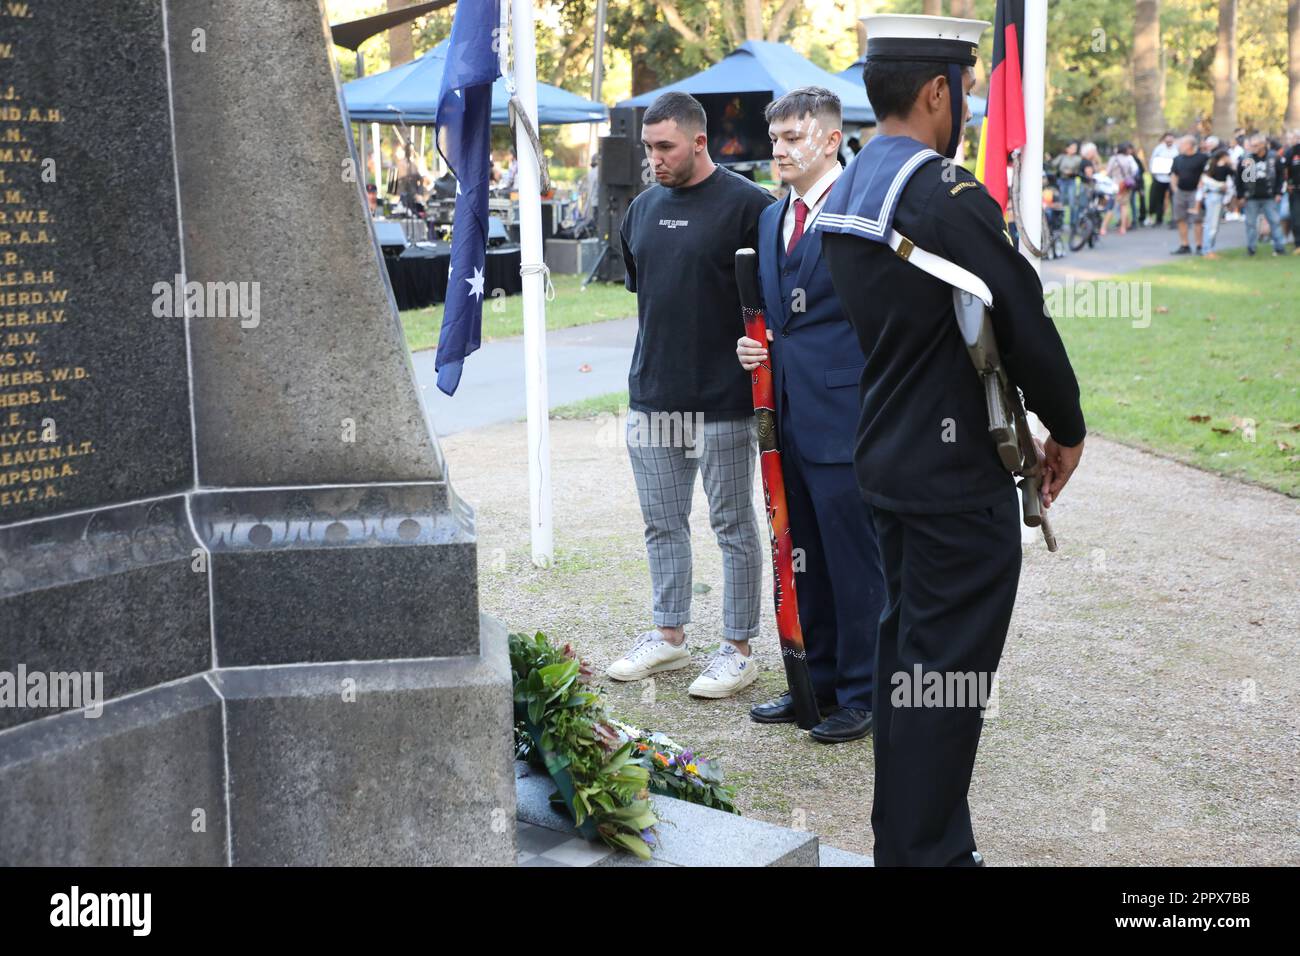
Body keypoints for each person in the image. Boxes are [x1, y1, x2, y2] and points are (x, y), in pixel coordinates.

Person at [819, 13, 1085, 866]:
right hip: (952, 479)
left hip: (891, 459)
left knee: (912, 670)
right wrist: (1067, 426)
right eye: (964, 86)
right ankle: (929, 855)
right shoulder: (944, 192)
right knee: (945, 685)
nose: (966, 102)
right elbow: (1026, 317)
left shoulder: (852, 183)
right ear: (937, 91)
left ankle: (909, 842)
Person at [609, 92, 775, 698]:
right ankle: (669, 637)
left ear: (699, 142)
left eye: (665, 147)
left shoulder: (750, 206)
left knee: (732, 524)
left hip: (726, 401)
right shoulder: (642, 209)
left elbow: (775, 305)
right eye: (648, 147)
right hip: (653, 395)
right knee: (662, 524)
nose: (654, 158)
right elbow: (650, 294)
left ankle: (737, 648)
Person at [733, 87, 883, 745]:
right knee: (802, 558)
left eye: (794, 138)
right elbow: (780, 320)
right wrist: (752, 346)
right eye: (775, 141)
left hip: (848, 415)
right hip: (783, 415)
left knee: (856, 563)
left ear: (829, 139)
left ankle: (864, 694)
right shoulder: (771, 220)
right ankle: (812, 685)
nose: (781, 151)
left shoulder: (865, 212)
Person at [1235, 133, 1287, 256]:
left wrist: (1278, 192)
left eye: (1255, 145)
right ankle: (1251, 249)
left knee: (1274, 222)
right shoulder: (1246, 159)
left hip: (1269, 196)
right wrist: (1240, 196)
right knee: (1250, 224)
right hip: (1251, 197)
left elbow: (1281, 176)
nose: (1252, 148)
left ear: (1263, 145)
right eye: (1251, 145)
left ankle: (1280, 247)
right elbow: (1238, 179)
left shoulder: (1274, 157)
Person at [1170, 134, 1207, 254]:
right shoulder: (1177, 159)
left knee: (1197, 219)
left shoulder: (1202, 158)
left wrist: (1201, 190)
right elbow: (1174, 175)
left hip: (1195, 193)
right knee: (1180, 219)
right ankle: (1184, 245)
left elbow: (1206, 174)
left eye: (1182, 144)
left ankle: (1199, 245)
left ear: (1190, 145)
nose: (1180, 146)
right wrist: (1175, 189)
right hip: (1180, 192)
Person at [1199, 144, 1234, 259]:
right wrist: (1220, 185)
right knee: (1212, 225)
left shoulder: (1217, 166)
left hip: (1215, 196)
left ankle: (1209, 248)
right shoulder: (1217, 167)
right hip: (1214, 196)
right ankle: (1207, 250)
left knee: (1212, 224)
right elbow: (1206, 180)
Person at [1105, 143, 1138, 235]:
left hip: (1115, 184)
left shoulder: (1113, 159)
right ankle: (1123, 227)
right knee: (1124, 206)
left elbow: (1108, 172)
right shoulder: (1129, 158)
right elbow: (1135, 170)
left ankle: (1103, 227)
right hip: (1126, 184)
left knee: (1112, 206)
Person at [1148, 131, 1177, 226]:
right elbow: (1153, 161)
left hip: (1172, 178)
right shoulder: (1159, 149)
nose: (1169, 141)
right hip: (1160, 178)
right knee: (1158, 199)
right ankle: (1158, 218)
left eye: (1171, 138)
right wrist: (1154, 173)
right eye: (1167, 139)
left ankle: (1174, 218)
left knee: (1174, 199)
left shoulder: (1176, 149)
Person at [1052, 141, 1082, 223]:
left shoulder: (1078, 159)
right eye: (1072, 147)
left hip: (1071, 180)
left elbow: (1080, 169)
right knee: (1060, 201)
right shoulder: (1062, 157)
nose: (1074, 149)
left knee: (1072, 202)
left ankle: (1073, 222)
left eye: (1075, 147)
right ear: (1067, 149)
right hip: (1062, 180)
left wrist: (1072, 172)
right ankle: (1060, 221)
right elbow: (1053, 164)